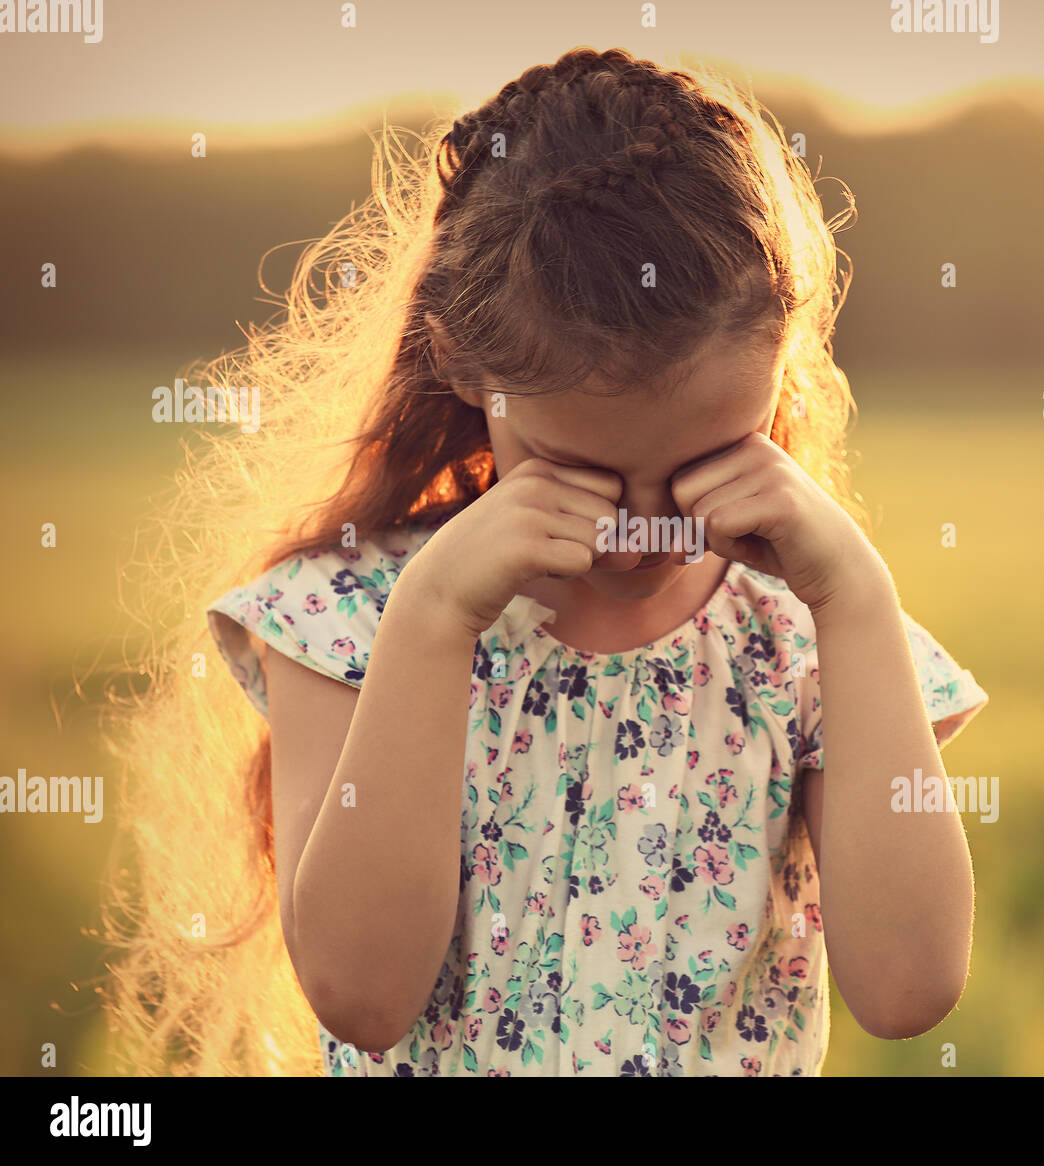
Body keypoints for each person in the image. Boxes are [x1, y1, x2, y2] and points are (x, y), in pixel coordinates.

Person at [100, 45, 988, 1077]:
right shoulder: (349, 616)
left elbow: (908, 983)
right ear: (460, 361)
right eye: (581, 467)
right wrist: (430, 620)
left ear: (776, 370)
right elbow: (362, 994)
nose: (647, 525)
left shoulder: (802, 640)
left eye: (706, 458)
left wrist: (857, 596)